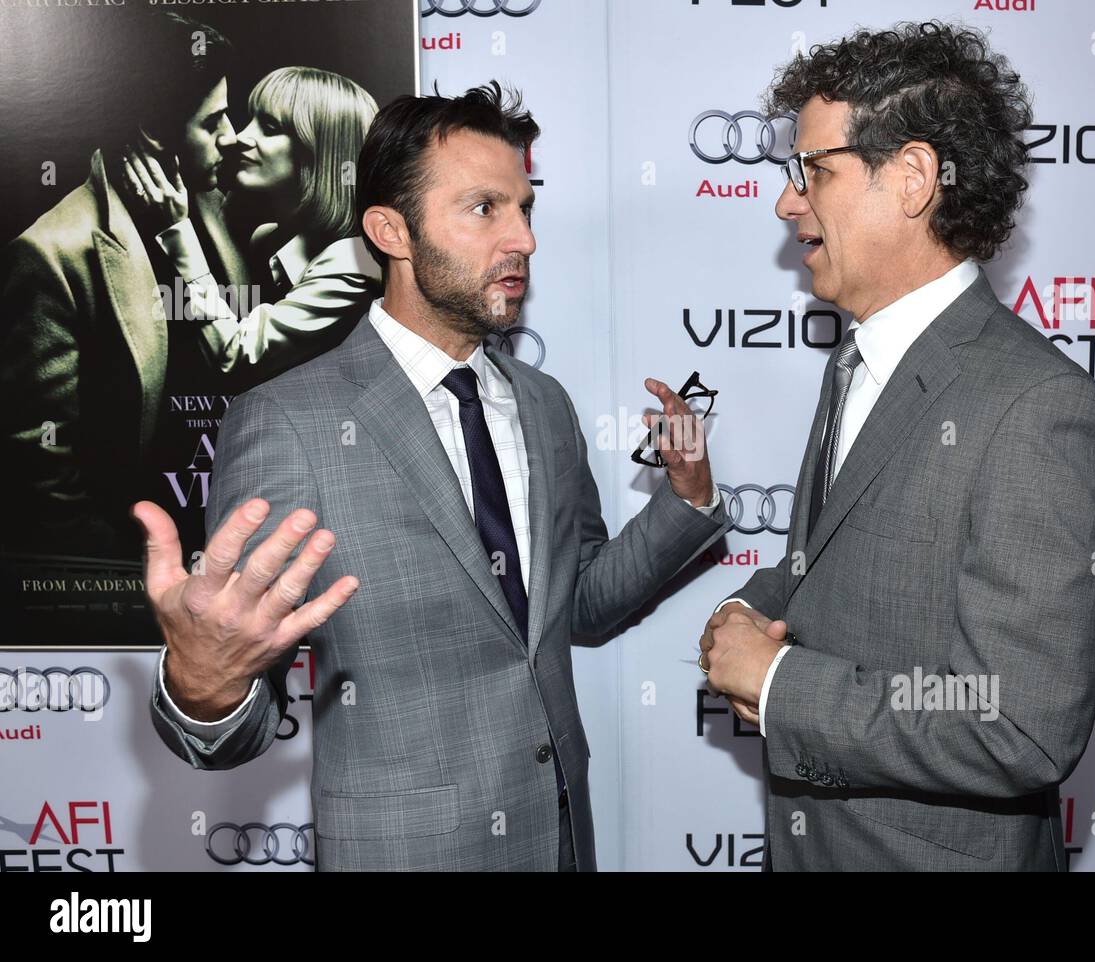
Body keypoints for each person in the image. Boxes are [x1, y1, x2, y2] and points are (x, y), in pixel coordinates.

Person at [135, 83, 729, 871]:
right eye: (485, 209)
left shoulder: (543, 406)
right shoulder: (290, 421)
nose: (523, 239)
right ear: (391, 230)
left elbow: (577, 604)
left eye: (525, 208)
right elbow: (240, 697)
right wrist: (203, 686)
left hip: (560, 843)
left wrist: (686, 500)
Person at [698, 22, 1095, 871]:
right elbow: (828, 572)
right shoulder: (858, 358)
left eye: (815, 171)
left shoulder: (1034, 405)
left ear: (915, 178)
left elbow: (1021, 725)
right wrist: (748, 605)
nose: (787, 201)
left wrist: (777, 685)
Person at [0, 12, 247, 558]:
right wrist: (122, 575)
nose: (232, 139)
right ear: (154, 135)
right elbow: (42, 472)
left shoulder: (216, 203)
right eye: (213, 123)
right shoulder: (51, 254)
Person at [125, 66, 382, 390]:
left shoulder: (356, 262)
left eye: (270, 128)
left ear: (319, 154)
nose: (240, 137)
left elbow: (235, 359)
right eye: (251, 120)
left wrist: (177, 230)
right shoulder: (266, 240)